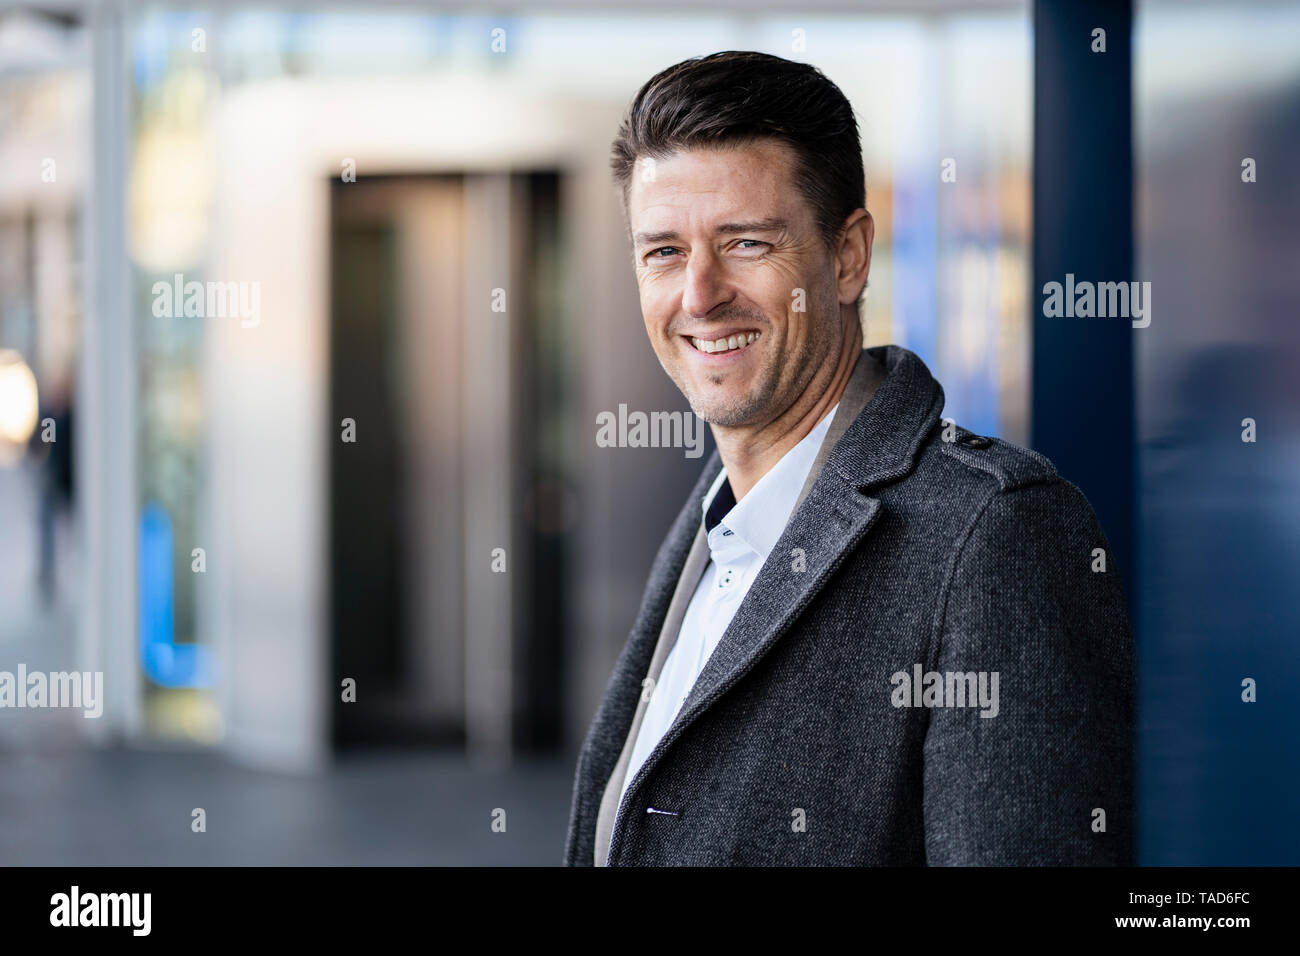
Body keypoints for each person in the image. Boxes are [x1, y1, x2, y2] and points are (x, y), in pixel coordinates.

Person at [564, 51, 1134, 866]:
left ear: (849, 258)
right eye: (662, 252)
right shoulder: (716, 519)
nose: (698, 295)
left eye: (747, 242)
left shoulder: (997, 535)